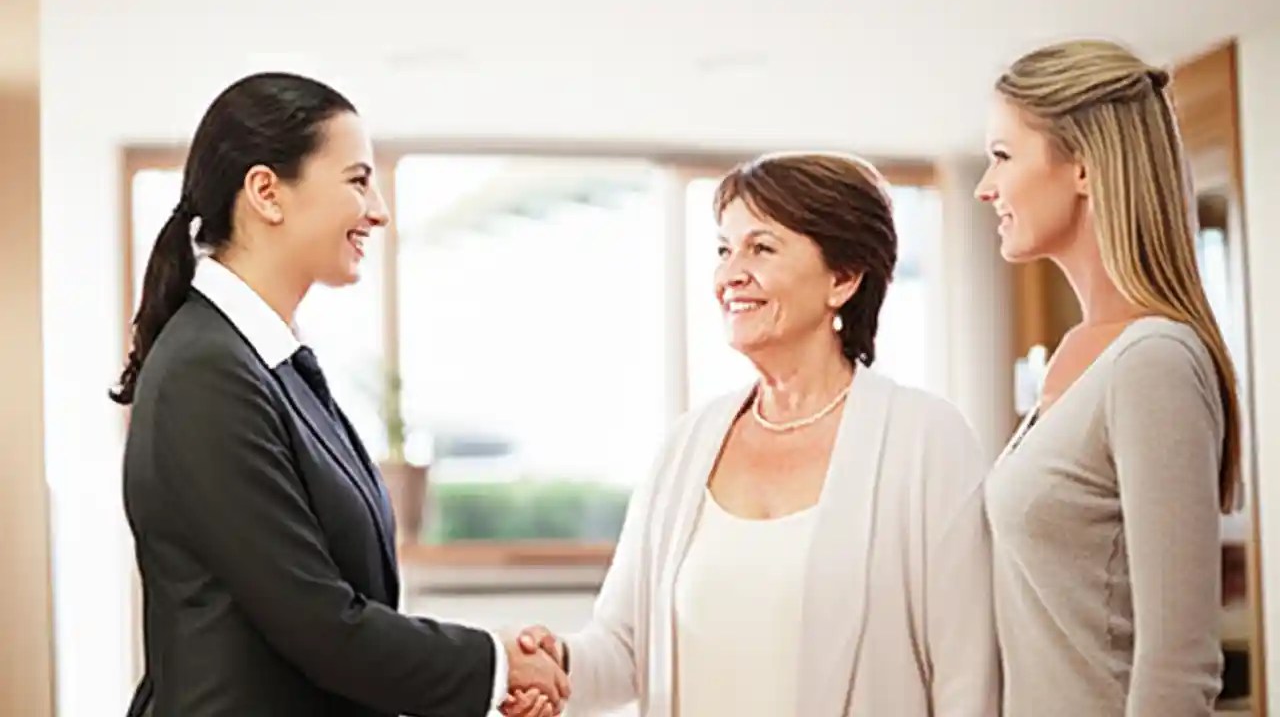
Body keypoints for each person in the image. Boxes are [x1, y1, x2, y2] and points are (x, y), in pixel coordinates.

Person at [113, 72, 566, 717]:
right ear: (266, 192)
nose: (378, 210)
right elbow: (317, 623)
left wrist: (490, 670)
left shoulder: (267, 363)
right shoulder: (207, 372)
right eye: (357, 181)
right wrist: (496, 665)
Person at [505, 153, 1000, 716]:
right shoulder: (687, 446)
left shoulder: (925, 440)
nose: (730, 275)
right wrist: (554, 664)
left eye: (761, 248)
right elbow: (624, 648)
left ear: (842, 278)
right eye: (724, 250)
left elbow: (967, 678)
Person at [974, 39, 1242, 716]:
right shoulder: (1077, 355)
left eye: (1002, 155)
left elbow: (1179, 669)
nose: (985, 186)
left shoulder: (1154, 362)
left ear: (1084, 168)